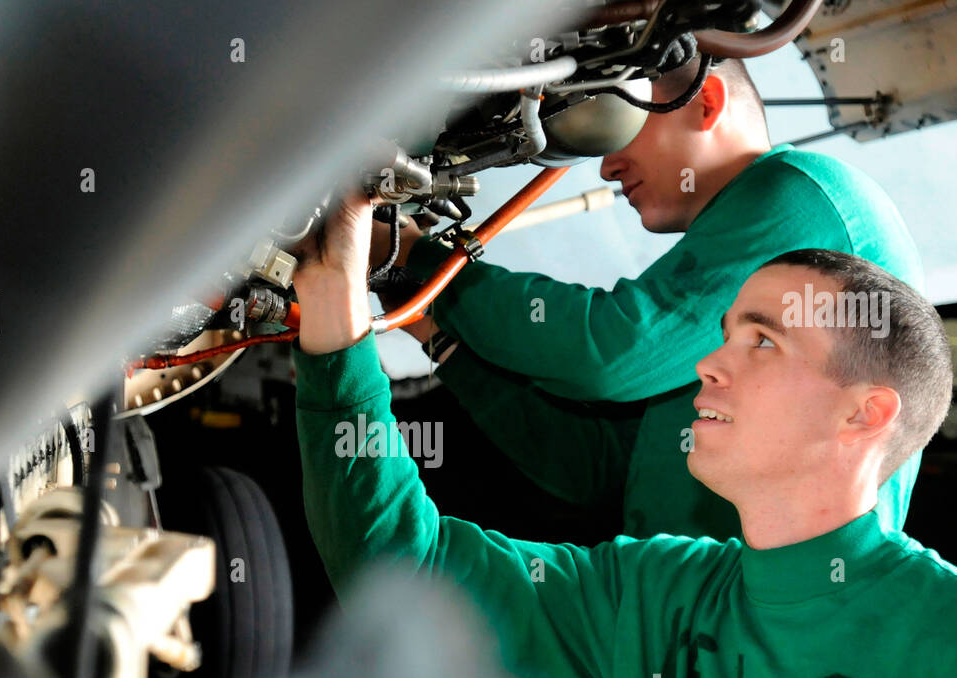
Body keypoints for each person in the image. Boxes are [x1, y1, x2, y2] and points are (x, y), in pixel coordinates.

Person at [290, 192, 957, 678]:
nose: (708, 364)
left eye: (764, 343)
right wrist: (334, 312)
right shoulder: (654, 595)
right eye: (725, 336)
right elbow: (404, 568)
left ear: (864, 415)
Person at [374, 58, 924, 540]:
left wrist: (420, 259)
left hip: (767, 631)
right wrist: (434, 326)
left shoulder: (802, 191)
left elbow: (609, 354)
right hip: (689, 621)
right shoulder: (717, 325)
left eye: (622, 123)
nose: (607, 166)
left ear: (705, 102)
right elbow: (593, 465)